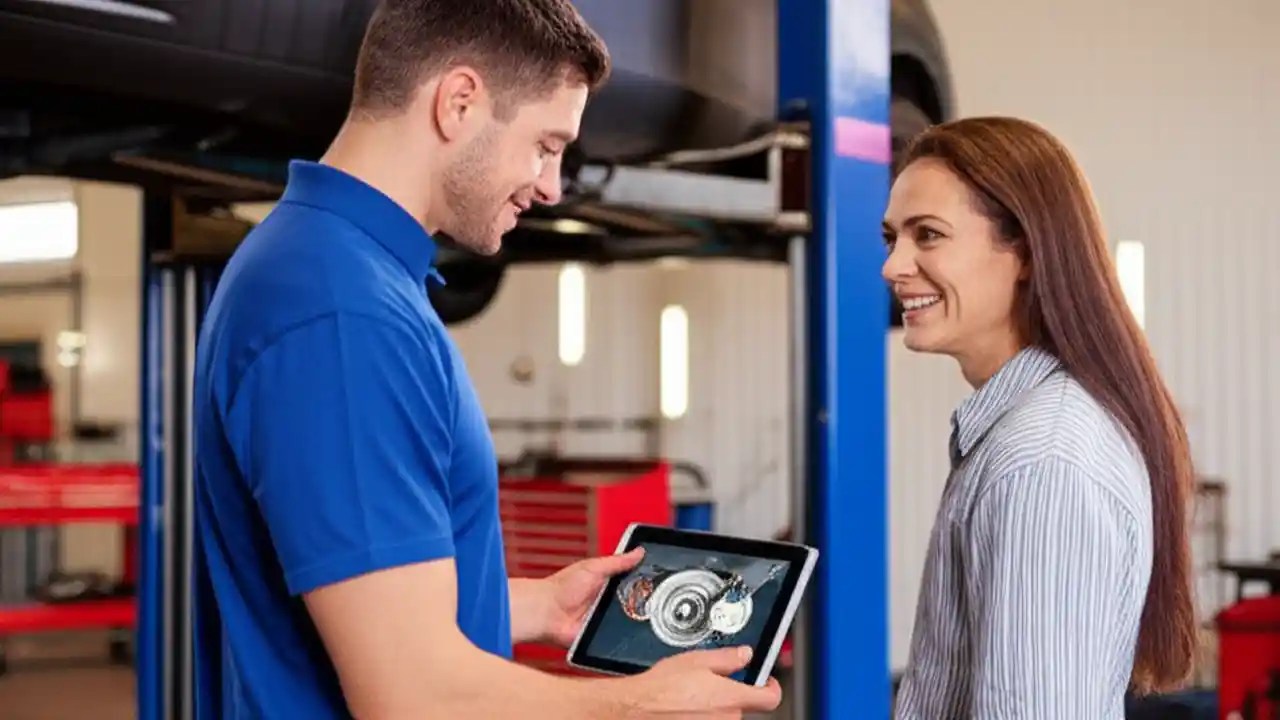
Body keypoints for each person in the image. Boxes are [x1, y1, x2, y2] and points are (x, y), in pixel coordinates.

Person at [190, 1, 783, 718]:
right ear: (459, 102)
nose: (553, 186)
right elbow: (413, 694)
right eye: (546, 144)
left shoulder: (333, 272)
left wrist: (536, 606)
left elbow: (360, 596)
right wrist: (640, 703)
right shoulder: (342, 315)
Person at [881, 116, 1197, 719]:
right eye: (892, 238)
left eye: (928, 236)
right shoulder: (1024, 434)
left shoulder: (1042, 461)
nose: (893, 266)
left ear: (1025, 250)